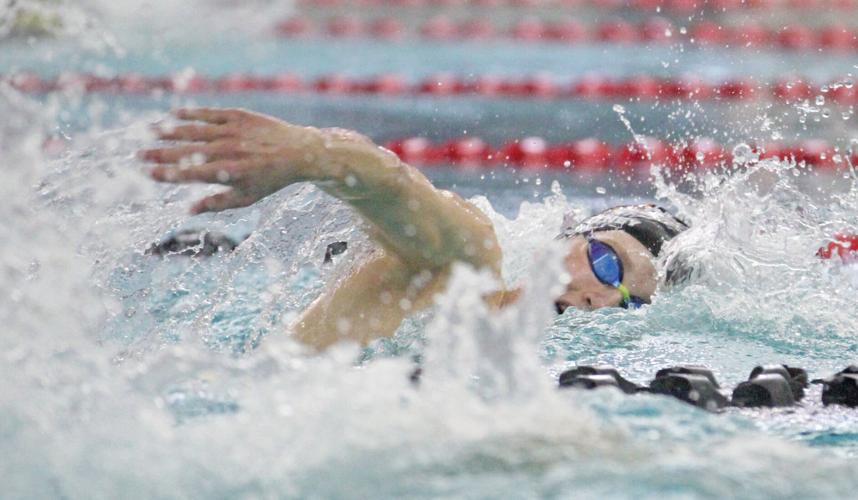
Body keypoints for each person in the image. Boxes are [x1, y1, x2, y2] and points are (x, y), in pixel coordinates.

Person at [141, 108, 688, 350]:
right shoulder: (466, 264)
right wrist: (307, 154)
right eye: (608, 262)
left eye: (628, 301)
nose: (600, 297)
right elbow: (393, 184)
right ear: (567, 237)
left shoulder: (498, 352)